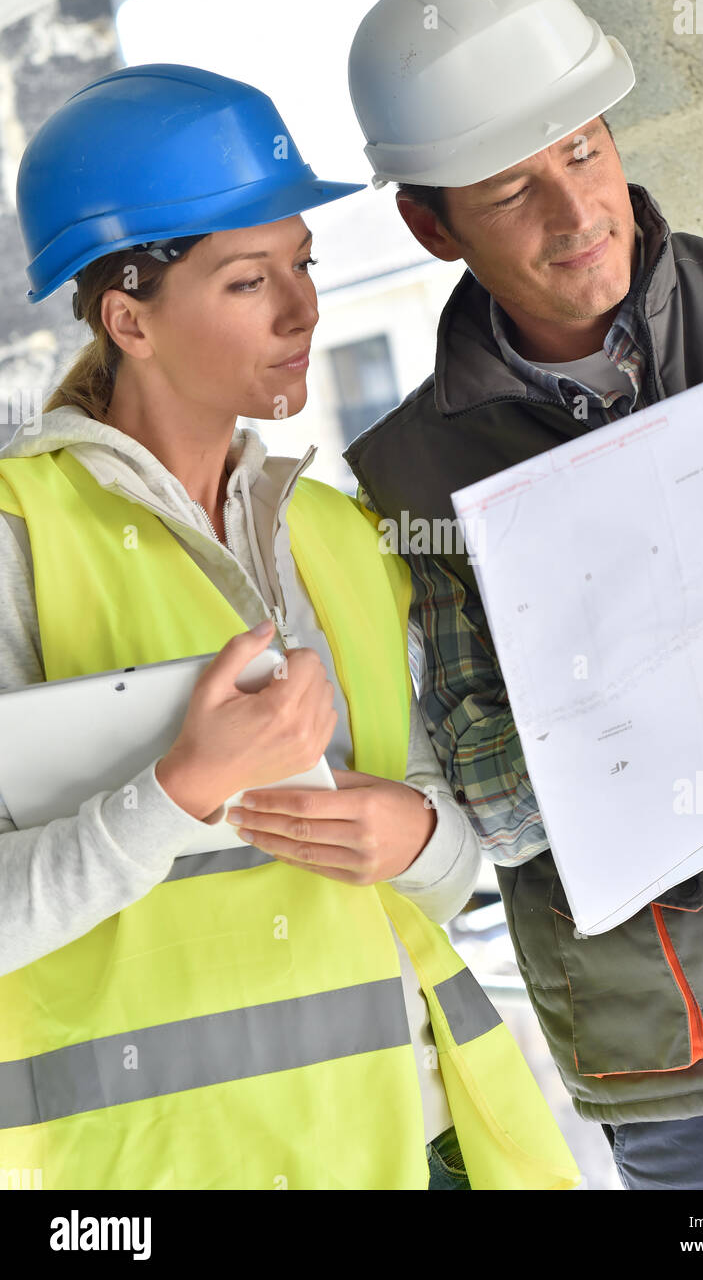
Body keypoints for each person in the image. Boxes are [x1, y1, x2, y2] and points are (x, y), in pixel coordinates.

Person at [0, 62, 580, 1191]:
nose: (303, 308)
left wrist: (416, 840)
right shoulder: (17, 539)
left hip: (424, 1144)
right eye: (248, 280)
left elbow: (447, 861)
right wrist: (169, 797)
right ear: (130, 317)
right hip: (166, 1175)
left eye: (303, 265)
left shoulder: (339, 530)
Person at [343, 0, 703, 1190]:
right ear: (430, 223)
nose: (577, 215)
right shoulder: (412, 486)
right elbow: (493, 809)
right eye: (511, 189)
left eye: (583, 152)